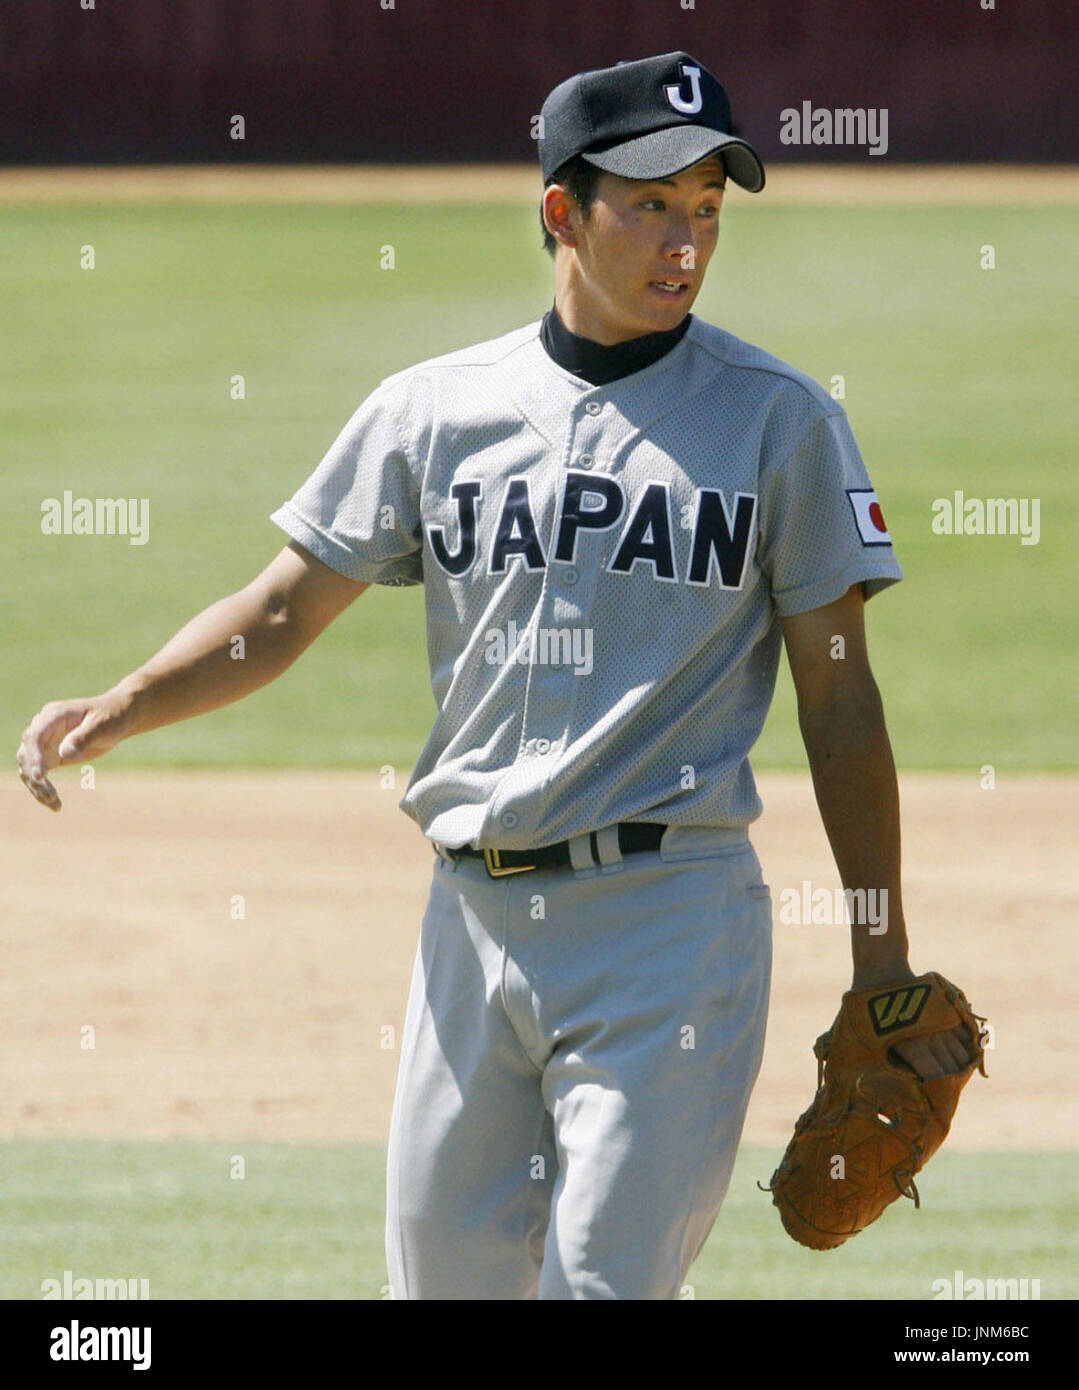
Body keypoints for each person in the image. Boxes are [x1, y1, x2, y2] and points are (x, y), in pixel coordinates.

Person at [17, 51, 973, 1300]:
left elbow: (837, 697)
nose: (684, 241)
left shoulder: (778, 422)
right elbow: (283, 608)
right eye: (649, 204)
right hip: (467, 924)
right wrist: (126, 702)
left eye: (706, 208)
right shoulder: (435, 410)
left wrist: (878, 958)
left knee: (605, 1285)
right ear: (559, 214)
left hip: (668, 924)